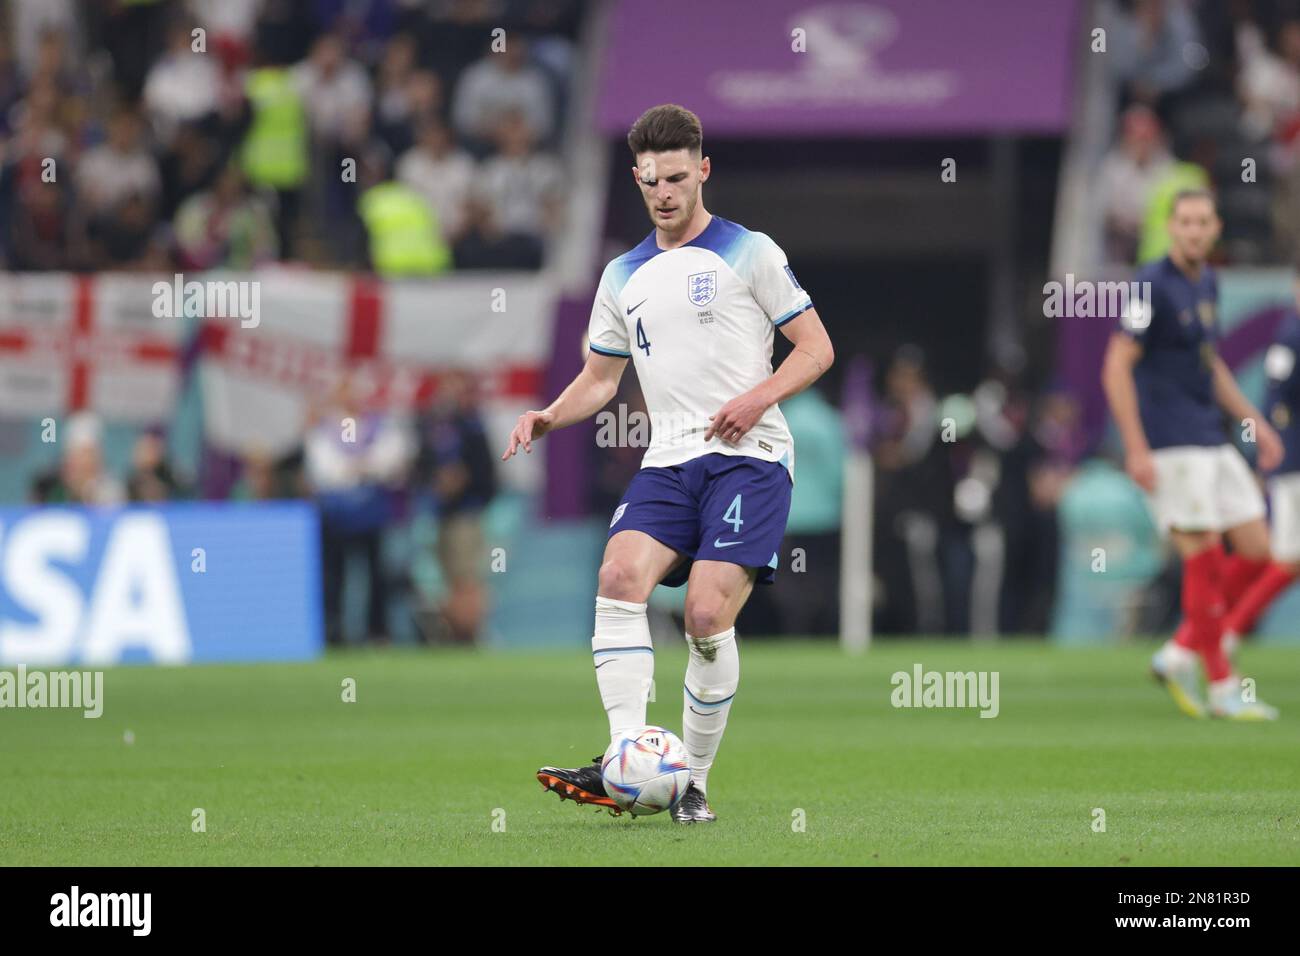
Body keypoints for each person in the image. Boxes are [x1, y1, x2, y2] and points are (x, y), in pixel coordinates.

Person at [501, 104, 834, 821]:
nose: (665, 192)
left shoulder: (751, 251)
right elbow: (600, 379)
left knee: (705, 614)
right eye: (652, 180)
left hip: (750, 459)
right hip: (669, 461)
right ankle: (626, 762)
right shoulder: (622, 273)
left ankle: (696, 783)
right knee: (618, 575)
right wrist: (548, 415)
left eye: (678, 177)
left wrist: (756, 399)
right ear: (637, 178)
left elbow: (816, 349)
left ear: (703, 170)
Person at [1101, 188, 1282, 720]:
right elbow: (1116, 366)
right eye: (1186, 222)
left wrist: (1253, 420)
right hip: (1172, 441)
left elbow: (1210, 364)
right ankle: (1223, 686)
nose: (1195, 231)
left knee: (1257, 547)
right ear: (1171, 228)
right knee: (1201, 553)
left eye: (1204, 222)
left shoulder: (1208, 282)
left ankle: (1182, 649)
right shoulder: (1150, 285)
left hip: (1210, 433)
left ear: (1216, 227)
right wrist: (1135, 447)